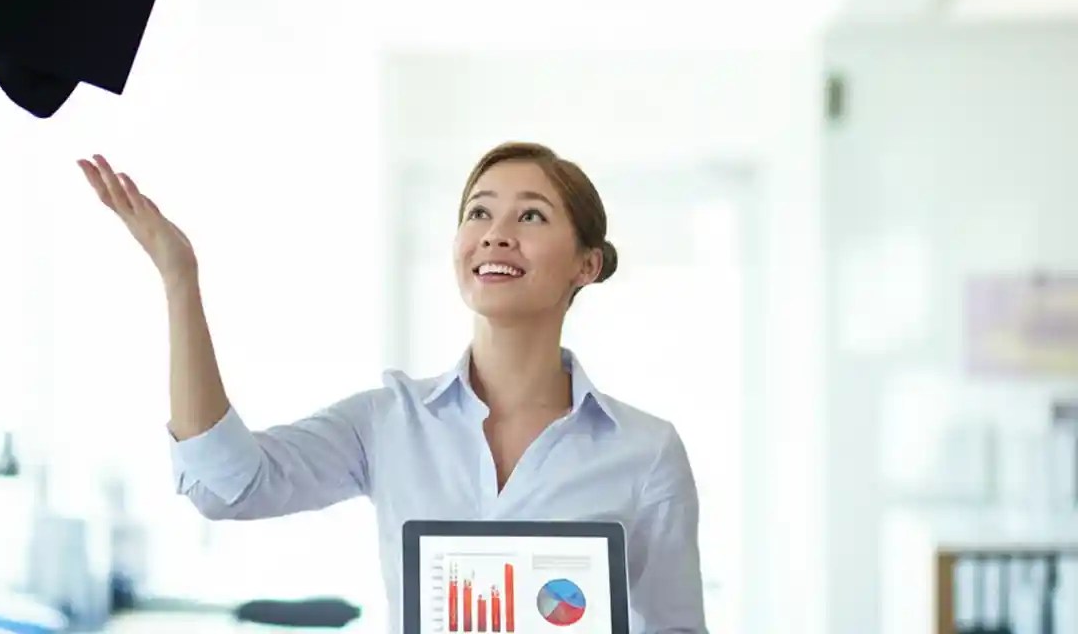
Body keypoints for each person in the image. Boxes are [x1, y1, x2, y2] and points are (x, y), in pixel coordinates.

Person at [76, 142, 707, 633]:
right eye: (479, 212)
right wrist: (179, 280)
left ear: (586, 264)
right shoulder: (388, 422)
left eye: (531, 215)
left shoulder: (646, 452)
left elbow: (676, 628)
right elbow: (227, 484)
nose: (495, 232)